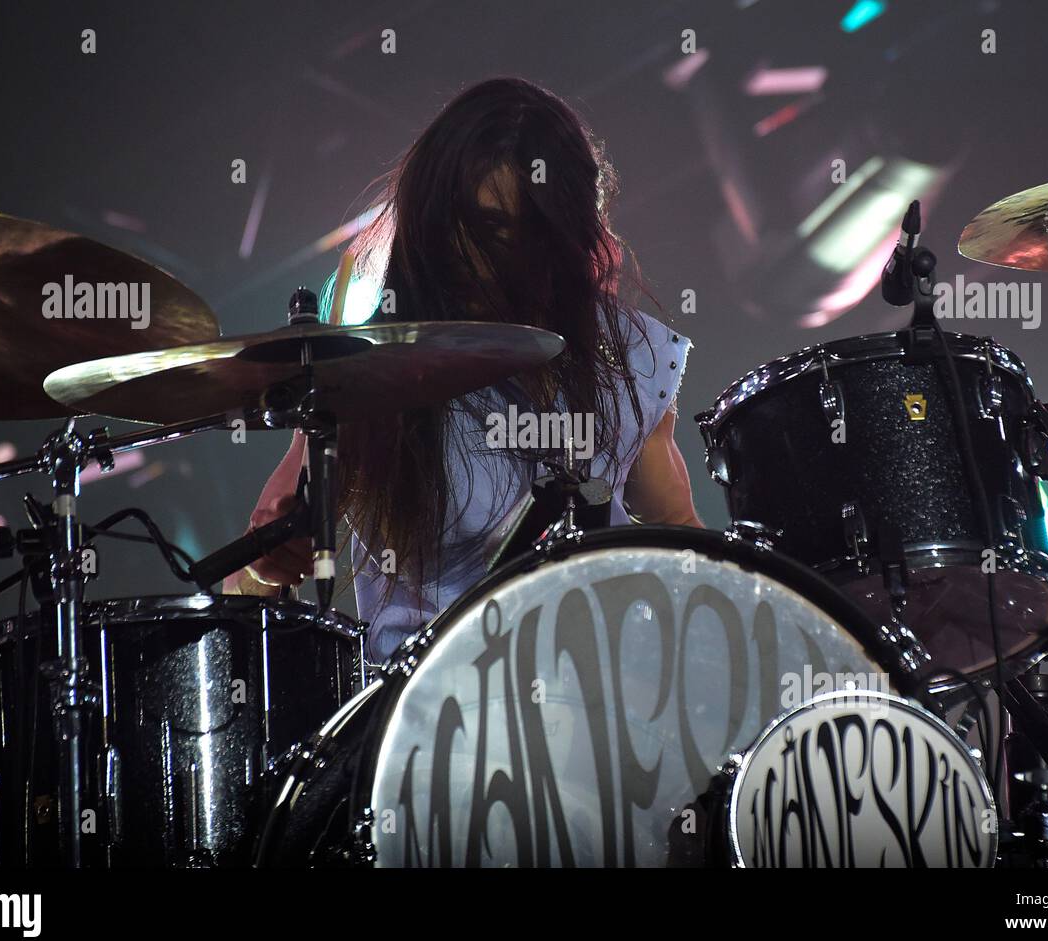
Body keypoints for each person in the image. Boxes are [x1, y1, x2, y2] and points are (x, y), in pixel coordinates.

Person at [224, 77, 701, 661]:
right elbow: (248, 575)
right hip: (429, 717)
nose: (466, 256)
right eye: (456, 226)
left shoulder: (626, 355)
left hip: (607, 697)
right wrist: (269, 563)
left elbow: (680, 535)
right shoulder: (369, 371)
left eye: (498, 232)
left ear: (557, 232)